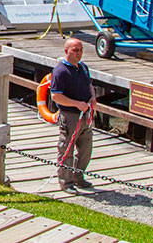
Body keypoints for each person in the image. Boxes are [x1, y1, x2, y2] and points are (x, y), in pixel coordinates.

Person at [50, 38, 97, 194]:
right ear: (66, 51)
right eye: (75, 50)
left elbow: (89, 84)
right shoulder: (60, 71)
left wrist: (92, 97)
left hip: (86, 114)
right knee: (66, 149)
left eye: (80, 50)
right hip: (70, 115)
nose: (78, 53)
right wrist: (77, 104)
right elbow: (56, 96)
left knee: (86, 148)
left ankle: (79, 176)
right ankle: (66, 182)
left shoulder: (83, 67)